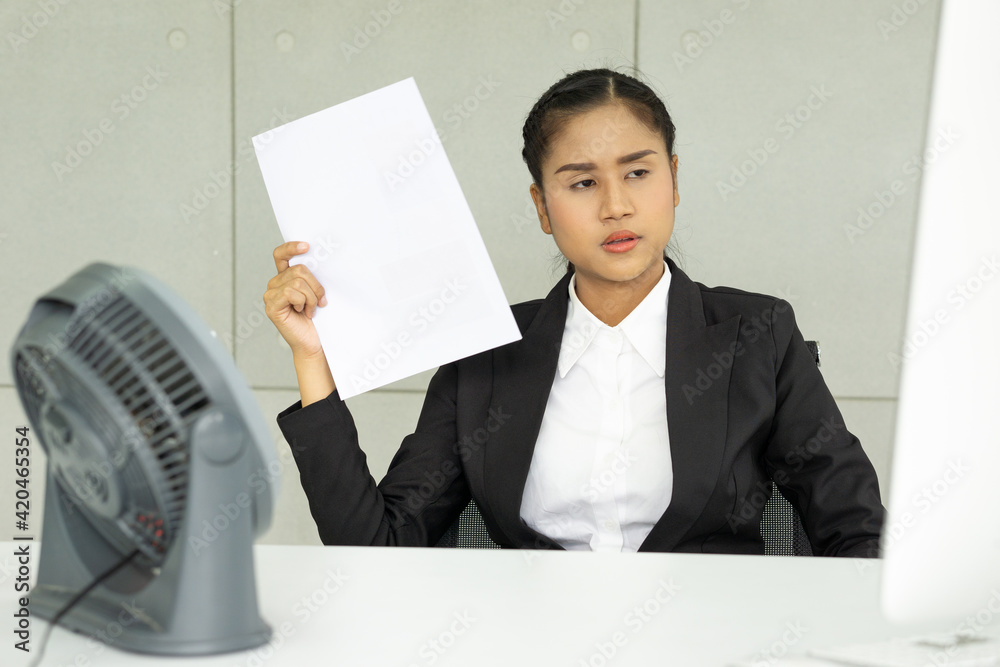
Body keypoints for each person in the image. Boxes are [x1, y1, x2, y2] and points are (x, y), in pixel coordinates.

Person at [263, 68, 884, 556]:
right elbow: (377, 550)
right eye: (582, 183)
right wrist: (313, 359)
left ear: (673, 179)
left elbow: (855, 529)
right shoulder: (486, 354)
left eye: (638, 173)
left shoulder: (759, 336)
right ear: (541, 206)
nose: (616, 206)